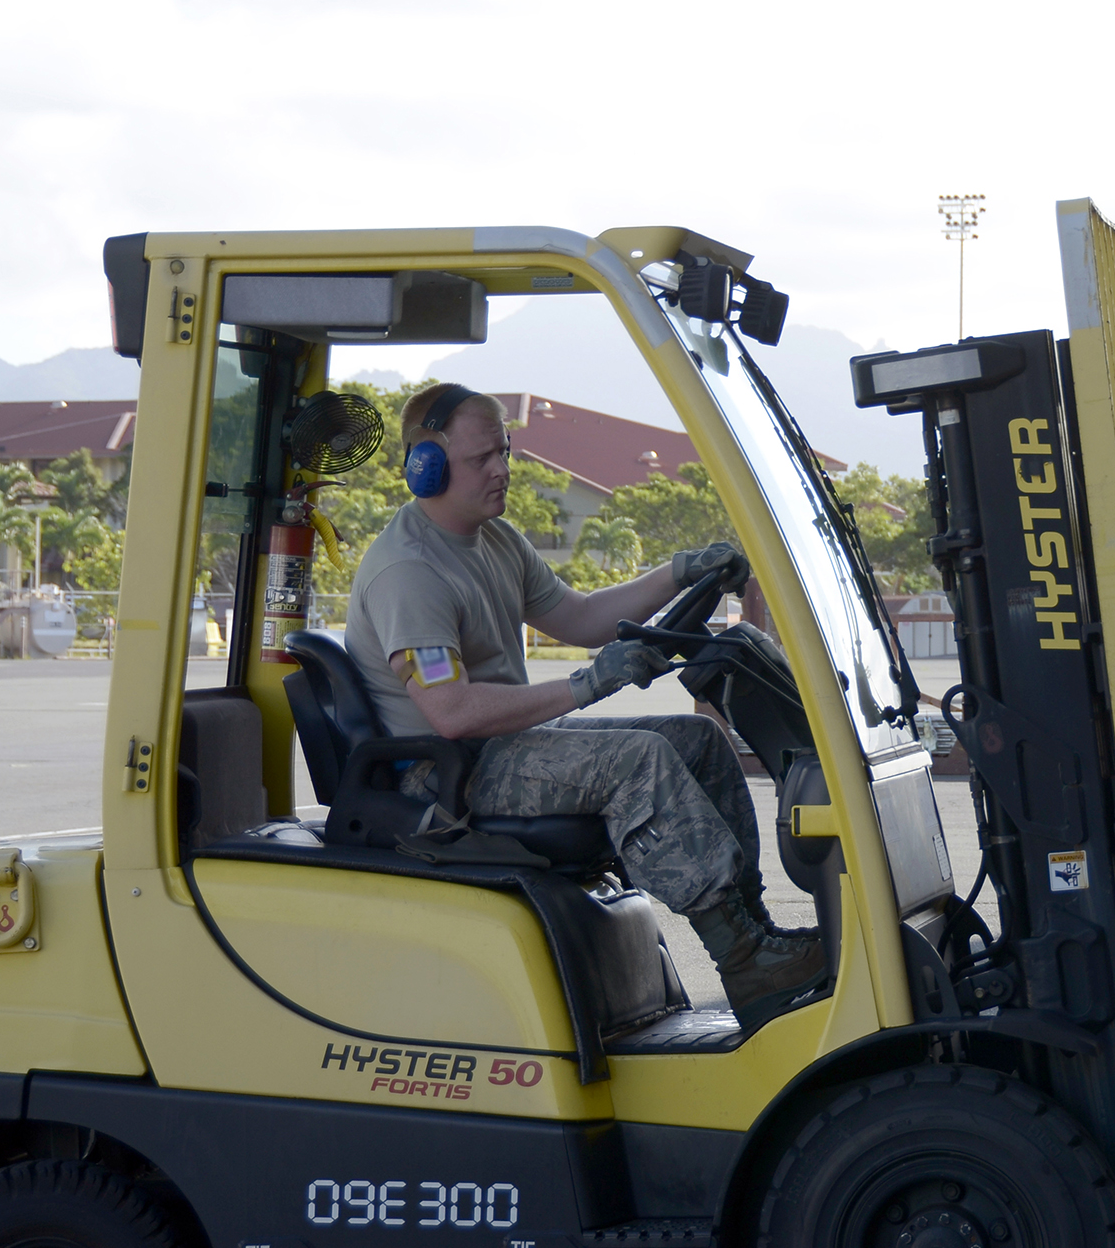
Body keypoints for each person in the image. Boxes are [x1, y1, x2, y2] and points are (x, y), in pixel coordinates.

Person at [344, 384, 828, 1032]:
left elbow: (582, 617)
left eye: (504, 452)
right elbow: (452, 712)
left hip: (502, 749)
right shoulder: (409, 573)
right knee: (639, 759)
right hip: (444, 776)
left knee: (697, 740)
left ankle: (755, 931)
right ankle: (743, 961)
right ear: (425, 466)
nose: (501, 469)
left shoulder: (495, 540)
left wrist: (678, 572)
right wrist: (588, 684)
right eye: (482, 458)